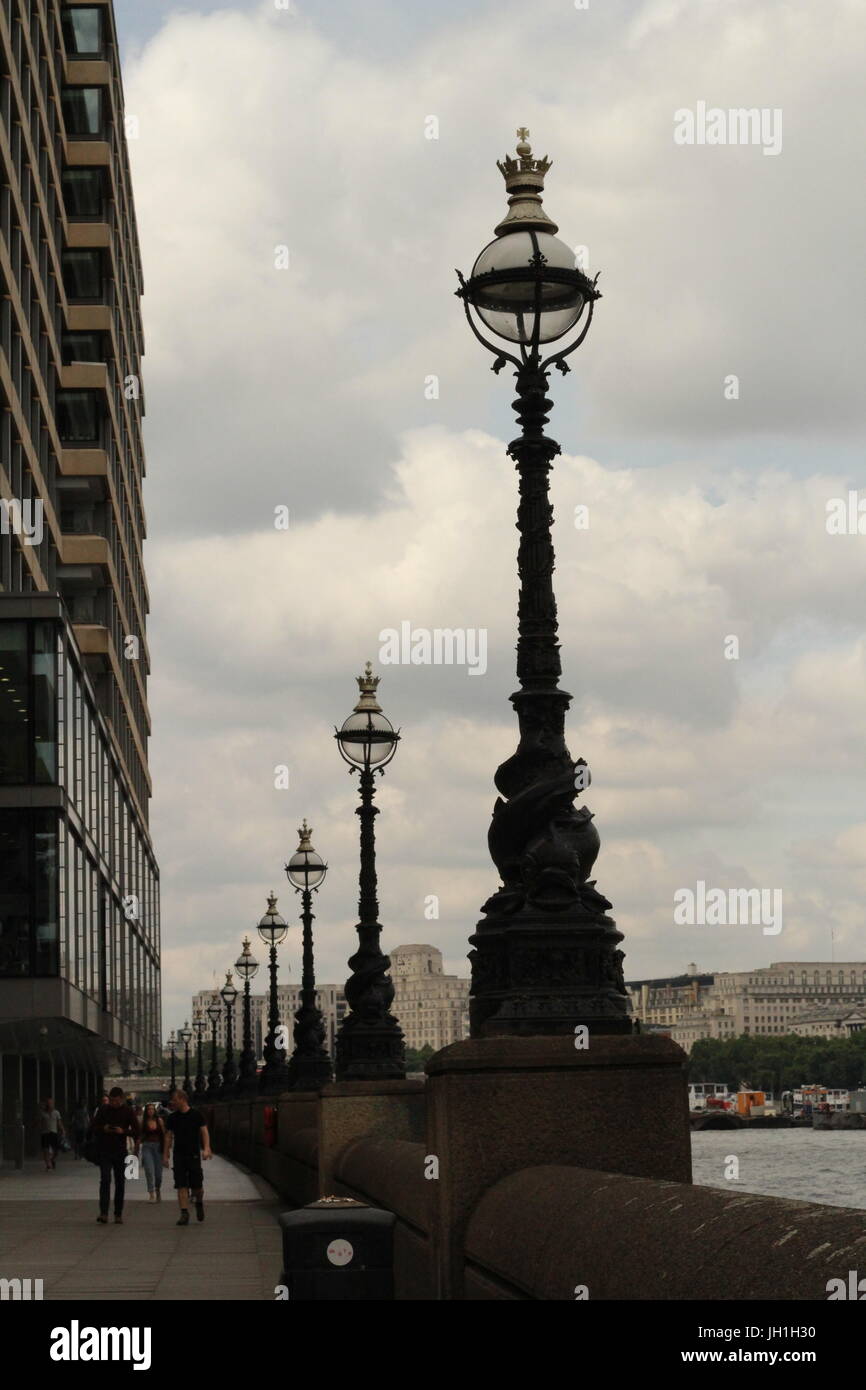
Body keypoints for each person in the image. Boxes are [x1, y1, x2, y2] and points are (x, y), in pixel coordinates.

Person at [163, 1089, 212, 1226]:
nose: (172, 1102)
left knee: (198, 1187)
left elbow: (204, 1131)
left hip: (193, 1154)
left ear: (182, 1099)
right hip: (179, 1155)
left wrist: (207, 1148)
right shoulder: (172, 1118)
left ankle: (199, 1202)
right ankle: (184, 1213)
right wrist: (166, 1155)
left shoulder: (196, 1115)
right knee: (181, 1185)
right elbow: (168, 1136)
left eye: (175, 1099)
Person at [91, 1086, 139, 1224]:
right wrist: (103, 1128)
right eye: (111, 1100)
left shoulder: (128, 1111)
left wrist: (123, 1131)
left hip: (120, 1151)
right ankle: (103, 1213)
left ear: (122, 1099)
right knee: (105, 1180)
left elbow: (137, 1131)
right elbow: (93, 1127)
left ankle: (118, 1213)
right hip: (104, 1150)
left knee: (120, 1182)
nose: (113, 1103)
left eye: (116, 1101)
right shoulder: (103, 1109)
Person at [139, 1103, 165, 1202]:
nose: (150, 1111)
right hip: (147, 1147)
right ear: (146, 1111)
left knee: (158, 1174)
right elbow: (140, 1136)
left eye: (152, 1109)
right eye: (149, 1109)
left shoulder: (159, 1121)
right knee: (149, 1171)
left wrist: (166, 1151)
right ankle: (151, 1194)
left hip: (158, 1147)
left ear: (155, 1111)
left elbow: (164, 1135)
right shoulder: (143, 1122)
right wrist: (136, 1149)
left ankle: (157, 1189)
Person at [39, 1098, 64, 1171]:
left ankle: (52, 1159)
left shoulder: (56, 1113)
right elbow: (39, 1122)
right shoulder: (42, 1113)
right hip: (45, 1133)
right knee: (45, 1149)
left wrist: (62, 1129)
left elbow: (59, 1122)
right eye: (49, 1103)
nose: (50, 1105)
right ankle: (48, 1165)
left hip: (53, 1132)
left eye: (51, 1103)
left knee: (56, 1150)